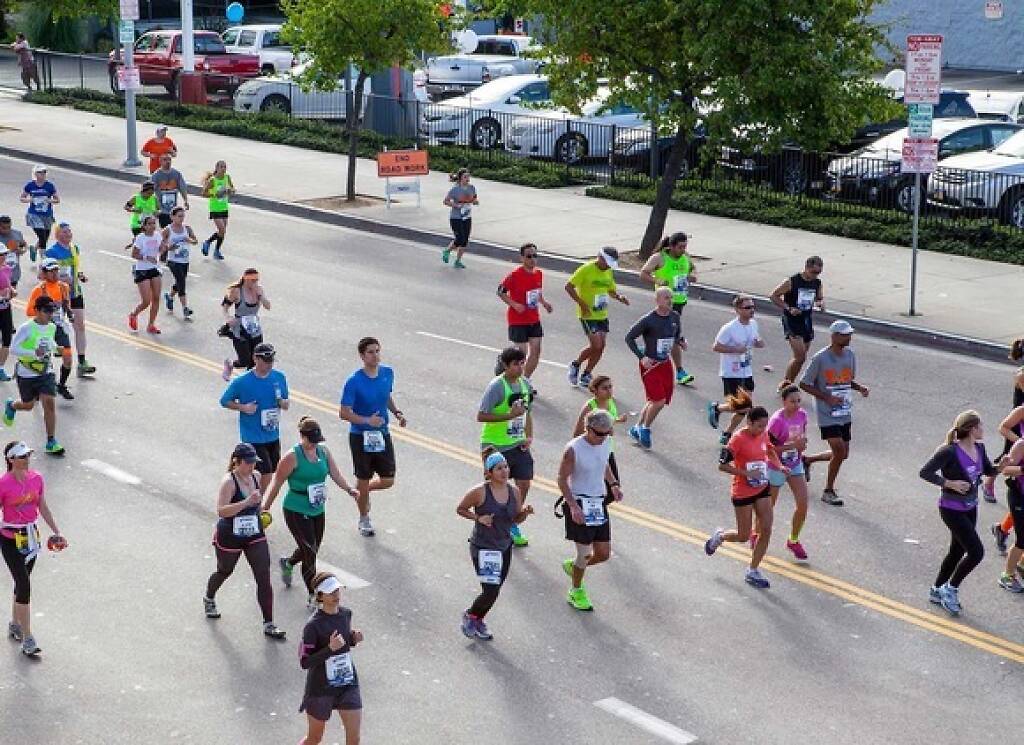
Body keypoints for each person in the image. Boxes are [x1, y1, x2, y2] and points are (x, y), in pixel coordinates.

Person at [262, 416, 358, 604]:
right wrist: (265, 507)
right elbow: (276, 483)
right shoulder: (291, 457)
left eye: (317, 441)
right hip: (296, 509)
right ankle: (313, 594)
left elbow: (335, 474)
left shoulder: (323, 452)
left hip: (317, 508)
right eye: (311, 441)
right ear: (302, 437)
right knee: (310, 552)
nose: (314, 444)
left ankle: (288, 562)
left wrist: (349, 489)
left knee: (311, 549)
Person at [203, 442, 286, 640]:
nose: (252, 466)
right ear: (236, 462)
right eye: (248, 463)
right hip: (230, 535)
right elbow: (221, 510)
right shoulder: (229, 482)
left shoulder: (256, 476)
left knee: (263, 576)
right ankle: (209, 596)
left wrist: (261, 513)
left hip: (254, 533)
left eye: (253, 462)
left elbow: (257, 503)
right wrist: (246, 502)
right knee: (225, 570)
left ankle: (269, 623)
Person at [918, 411, 996, 617]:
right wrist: (949, 483)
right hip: (951, 509)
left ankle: (937, 589)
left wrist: (1002, 466)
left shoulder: (979, 448)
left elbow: (989, 471)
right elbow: (925, 472)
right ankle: (950, 589)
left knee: (957, 551)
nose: (983, 429)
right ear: (971, 429)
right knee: (976, 552)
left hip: (970, 507)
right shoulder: (949, 452)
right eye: (980, 426)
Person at [705, 407, 786, 589]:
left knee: (766, 529)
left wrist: (779, 466)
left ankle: (753, 570)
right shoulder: (737, 439)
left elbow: (770, 450)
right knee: (743, 536)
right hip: (742, 491)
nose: (763, 429)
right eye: (759, 426)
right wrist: (747, 473)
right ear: (749, 422)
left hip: (761, 488)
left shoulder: (763, 434)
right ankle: (720, 537)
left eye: (765, 426)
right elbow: (722, 466)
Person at [456, 450, 533, 640]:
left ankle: (478, 619)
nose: (504, 471)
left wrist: (525, 513)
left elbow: (515, 520)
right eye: (499, 468)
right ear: (489, 472)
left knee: (495, 590)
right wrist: (478, 518)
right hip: (483, 547)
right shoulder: (480, 492)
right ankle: (470, 615)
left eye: (505, 467)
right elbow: (460, 509)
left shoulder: (514, 492)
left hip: (504, 546)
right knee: (490, 590)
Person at [0, 441, 66, 657]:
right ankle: (28, 638)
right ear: (11, 460)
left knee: (22, 582)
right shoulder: (3, 484)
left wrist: (56, 531)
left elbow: (42, 506)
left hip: (30, 539)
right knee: (24, 585)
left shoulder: (36, 478)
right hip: (9, 540)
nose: (26, 459)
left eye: (27, 455)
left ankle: (15, 624)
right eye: (21, 456)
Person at [338, 337, 406, 538]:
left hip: (381, 434)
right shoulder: (354, 381)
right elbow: (343, 412)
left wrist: (397, 412)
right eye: (370, 352)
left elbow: (386, 396)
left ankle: (363, 491)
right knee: (363, 478)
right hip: (360, 437)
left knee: (388, 480)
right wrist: (367, 420)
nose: (375, 355)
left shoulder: (387, 373)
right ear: (362, 356)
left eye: (377, 351)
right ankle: (364, 518)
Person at [799, 320, 870, 506]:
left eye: (849, 334)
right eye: (845, 335)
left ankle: (808, 460)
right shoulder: (820, 358)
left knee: (843, 454)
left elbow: (846, 380)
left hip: (844, 411)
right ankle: (828, 491)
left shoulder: (850, 355)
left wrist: (859, 388)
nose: (849, 338)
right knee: (838, 450)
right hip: (827, 413)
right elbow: (804, 383)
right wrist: (826, 397)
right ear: (834, 336)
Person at [558, 409, 622, 611]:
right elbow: (561, 479)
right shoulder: (573, 449)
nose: (603, 437)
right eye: (599, 433)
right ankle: (576, 590)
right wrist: (573, 506)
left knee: (603, 554)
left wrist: (613, 484)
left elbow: (604, 464)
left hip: (598, 503)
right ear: (588, 428)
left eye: (607, 433)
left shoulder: (605, 443)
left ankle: (575, 566)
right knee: (585, 554)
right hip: (579, 502)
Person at [477, 346, 534, 547]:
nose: (520, 368)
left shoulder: (525, 384)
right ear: (506, 366)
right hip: (496, 445)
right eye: (516, 364)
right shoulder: (496, 386)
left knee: (524, 484)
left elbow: (527, 413)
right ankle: (486, 525)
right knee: (495, 489)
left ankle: (512, 522)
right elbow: (481, 415)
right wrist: (508, 416)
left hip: (518, 443)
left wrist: (528, 436)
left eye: (522, 363)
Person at [298, 572, 364, 745]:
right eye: (331, 592)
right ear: (320, 596)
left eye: (337, 590)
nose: (336, 595)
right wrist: (329, 649)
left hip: (347, 683)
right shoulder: (312, 626)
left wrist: (353, 639)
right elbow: (305, 662)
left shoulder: (346, 614)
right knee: (314, 738)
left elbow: (344, 641)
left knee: (354, 739)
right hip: (321, 688)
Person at [220, 343, 289, 492]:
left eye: (271, 361)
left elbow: (286, 402)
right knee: (266, 472)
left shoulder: (279, 377)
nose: (269, 365)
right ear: (255, 359)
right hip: (253, 436)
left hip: (272, 433)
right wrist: (243, 407)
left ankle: (249, 494)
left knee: (270, 471)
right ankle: (257, 500)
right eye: (265, 361)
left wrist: (283, 403)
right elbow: (224, 401)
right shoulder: (242, 381)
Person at [2, 296, 65, 456]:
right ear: (36, 310)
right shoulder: (26, 328)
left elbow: (48, 342)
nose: (49, 314)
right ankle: (12, 406)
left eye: (51, 311)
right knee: (28, 405)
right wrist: (33, 353)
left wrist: (56, 348)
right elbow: (14, 349)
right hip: (26, 373)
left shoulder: (51, 327)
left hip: (45, 371)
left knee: (49, 403)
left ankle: (51, 441)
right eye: (46, 311)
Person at [624, 286, 682, 450]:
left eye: (671, 297)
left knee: (654, 400)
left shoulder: (674, 316)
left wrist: (681, 341)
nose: (670, 300)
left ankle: (636, 428)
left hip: (665, 364)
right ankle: (645, 428)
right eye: (666, 298)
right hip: (651, 365)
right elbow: (629, 338)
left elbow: (676, 335)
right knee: (659, 401)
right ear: (657, 300)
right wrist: (641, 357)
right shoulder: (648, 320)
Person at [565, 247, 629, 388]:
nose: (608, 266)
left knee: (601, 347)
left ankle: (586, 374)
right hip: (588, 314)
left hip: (602, 314)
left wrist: (619, 297)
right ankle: (575, 364)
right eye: (607, 263)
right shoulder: (586, 269)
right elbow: (569, 287)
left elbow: (610, 290)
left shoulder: (608, 271)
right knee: (596, 345)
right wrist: (581, 303)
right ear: (600, 257)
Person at [765, 385, 817, 560]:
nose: (796, 405)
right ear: (784, 401)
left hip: (794, 464)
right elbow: (768, 449)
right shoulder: (776, 421)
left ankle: (793, 540)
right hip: (776, 466)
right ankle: (756, 533)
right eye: (792, 401)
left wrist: (801, 448)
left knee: (803, 505)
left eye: (799, 401)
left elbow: (801, 436)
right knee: (769, 507)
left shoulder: (802, 415)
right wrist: (793, 446)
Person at [639, 231, 696, 385]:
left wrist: (692, 276)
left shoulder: (685, 257)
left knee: (668, 334)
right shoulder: (659, 258)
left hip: (679, 301)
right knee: (672, 336)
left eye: (685, 247)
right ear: (671, 246)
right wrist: (657, 280)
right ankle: (679, 371)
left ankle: (649, 350)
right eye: (680, 247)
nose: (683, 250)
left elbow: (692, 269)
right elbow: (643, 274)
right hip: (664, 302)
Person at [706, 294, 763, 446]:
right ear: (738, 310)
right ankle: (717, 409)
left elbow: (756, 340)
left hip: (747, 369)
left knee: (745, 407)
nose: (751, 310)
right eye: (747, 307)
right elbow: (716, 346)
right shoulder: (729, 328)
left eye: (753, 307)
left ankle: (727, 433)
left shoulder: (753, 324)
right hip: (732, 372)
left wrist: (759, 342)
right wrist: (735, 349)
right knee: (742, 406)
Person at [44, 222, 96, 378]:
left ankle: (82, 362)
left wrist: (80, 275)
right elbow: (43, 274)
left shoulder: (75, 249)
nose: (68, 234)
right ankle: (46, 362)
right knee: (52, 329)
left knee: (80, 326)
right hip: (58, 296)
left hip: (74, 292)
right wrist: (60, 279)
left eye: (69, 231)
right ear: (57, 235)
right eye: (64, 232)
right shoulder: (51, 252)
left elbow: (75, 268)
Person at [496, 243, 552, 379]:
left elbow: (537, 292)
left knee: (536, 351)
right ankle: (504, 361)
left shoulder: (539, 273)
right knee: (521, 354)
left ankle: (525, 379)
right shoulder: (514, 275)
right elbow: (500, 291)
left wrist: (544, 303)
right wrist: (515, 305)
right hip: (517, 320)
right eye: (529, 256)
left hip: (534, 318)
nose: (532, 259)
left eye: (535, 255)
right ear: (522, 258)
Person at [25, 259, 75, 400]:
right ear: (44, 273)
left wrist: (70, 314)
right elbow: (29, 311)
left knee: (68, 357)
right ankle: (36, 387)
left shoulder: (63, 287)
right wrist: (44, 312)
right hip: (43, 330)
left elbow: (66, 305)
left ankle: (61, 385)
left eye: (56, 271)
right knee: (42, 359)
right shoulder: (39, 290)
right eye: (51, 271)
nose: (54, 274)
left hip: (59, 328)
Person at [770, 256, 824, 384]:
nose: (815, 275)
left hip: (806, 319)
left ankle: (789, 382)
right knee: (800, 356)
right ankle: (786, 384)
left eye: (819, 272)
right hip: (792, 320)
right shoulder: (792, 281)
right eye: (814, 272)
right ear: (806, 268)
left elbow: (819, 298)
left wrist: (820, 303)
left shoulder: (817, 283)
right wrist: (788, 308)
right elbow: (773, 296)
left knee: (801, 358)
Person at [220, 268, 270, 380]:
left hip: (254, 328)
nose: (255, 283)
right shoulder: (236, 291)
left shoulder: (259, 290)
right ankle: (230, 364)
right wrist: (228, 318)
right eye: (253, 280)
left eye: (256, 280)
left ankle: (250, 384)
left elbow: (268, 306)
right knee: (245, 360)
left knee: (256, 360)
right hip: (240, 329)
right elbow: (225, 307)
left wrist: (261, 297)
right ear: (246, 279)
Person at [996, 438, 1024, 593]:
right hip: (1019, 496)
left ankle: (1021, 564)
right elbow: (1006, 470)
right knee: (1022, 539)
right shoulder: (1021, 444)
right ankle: (1007, 575)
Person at [127, 215, 163, 335]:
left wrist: (164, 248)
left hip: (155, 268)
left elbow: (160, 248)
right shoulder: (140, 238)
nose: (152, 226)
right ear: (144, 226)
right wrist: (147, 257)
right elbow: (134, 254)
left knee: (156, 297)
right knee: (146, 301)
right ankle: (133, 314)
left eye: (154, 223)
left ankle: (151, 324)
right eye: (149, 224)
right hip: (142, 270)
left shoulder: (157, 235)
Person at [160, 206, 197, 319]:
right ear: (172, 217)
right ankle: (185, 308)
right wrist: (169, 247)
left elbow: (195, 241)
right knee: (182, 282)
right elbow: (160, 244)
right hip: (173, 261)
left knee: (180, 282)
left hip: (184, 260)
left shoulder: (187, 228)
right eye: (179, 216)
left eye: (183, 216)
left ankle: (170, 296)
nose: (181, 218)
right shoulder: (167, 230)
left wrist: (189, 240)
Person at [20, 164, 58, 264]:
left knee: (45, 237)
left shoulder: (50, 186)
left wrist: (49, 200)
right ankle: (44, 258)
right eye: (40, 172)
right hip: (34, 214)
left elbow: (57, 199)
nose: (43, 174)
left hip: (47, 214)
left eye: (44, 172)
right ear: (35, 174)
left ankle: (34, 248)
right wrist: (30, 200)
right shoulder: (30, 185)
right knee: (41, 235)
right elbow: (22, 198)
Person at [441, 168, 477, 269]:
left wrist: (475, 201)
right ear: (460, 178)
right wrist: (456, 205)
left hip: (467, 216)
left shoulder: (472, 188)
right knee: (460, 238)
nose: (467, 179)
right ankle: (447, 251)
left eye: (468, 177)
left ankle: (458, 261)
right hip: (456, 217)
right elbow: (445, 201)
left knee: (465, 240)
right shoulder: (455, 189)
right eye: (465, 177)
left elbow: (474, 198)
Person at [201, 160, 235, 260]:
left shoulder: (227, 177)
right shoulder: (213, 180)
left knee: (222, 232)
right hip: (215, 208)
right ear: (216, 168)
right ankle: (208, 242)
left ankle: (216, 250)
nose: (223, 169)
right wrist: (215, 194)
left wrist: (230, 191)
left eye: (225, 167)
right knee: (222, 229)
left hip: (224, 207)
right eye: (221, 167)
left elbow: (233, 189)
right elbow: (203, 193)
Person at [151, 153, 190, 228]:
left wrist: (185, 200)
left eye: (169, 159)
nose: (168, 162)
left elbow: (182, 188)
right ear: (160, 162)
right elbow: (151, 192)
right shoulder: (156, 175)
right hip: (162, 209)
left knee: (175, 228)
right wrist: (154, 207)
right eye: (165, 160)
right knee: (165, 229)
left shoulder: (176, 173)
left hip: (174, 209)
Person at [0, 214, 29, 289]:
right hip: (1, 271)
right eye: (4, 228)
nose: (7, 230)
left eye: (9, 227)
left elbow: (24, 245)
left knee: (12, 292)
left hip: (13, 271)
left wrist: (22, 250)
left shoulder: (17, 234)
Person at [0, 246, 14, 382]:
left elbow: (8, 286)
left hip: (5, 308)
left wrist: (12, 291)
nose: (3, 257)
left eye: (4, 254)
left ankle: (0, 368)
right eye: (0, 255)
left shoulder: (7, 269)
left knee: (7, 339)